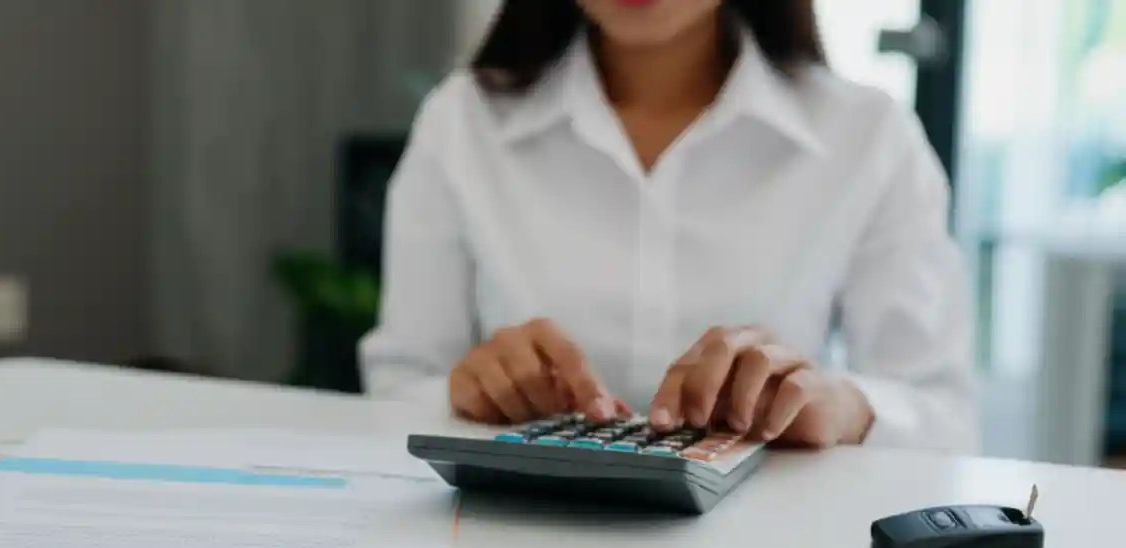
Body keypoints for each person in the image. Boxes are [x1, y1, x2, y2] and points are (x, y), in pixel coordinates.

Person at [361, 0, 977, 453]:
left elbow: (943, 418)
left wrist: (842, 406)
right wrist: (464, 393)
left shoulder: (867, 137)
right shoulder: (462, 123)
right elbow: (397, 385)